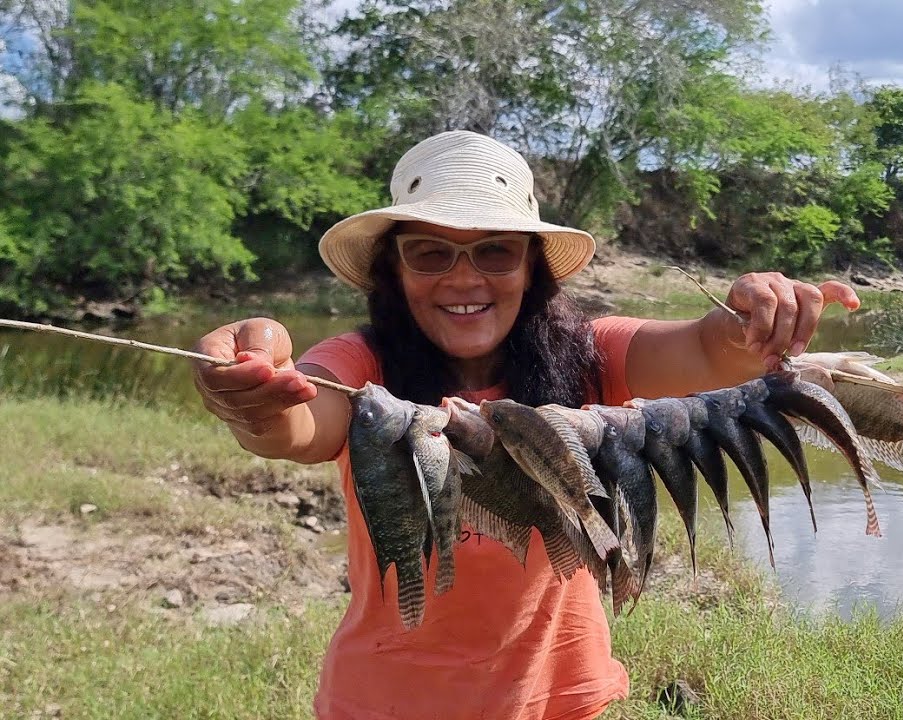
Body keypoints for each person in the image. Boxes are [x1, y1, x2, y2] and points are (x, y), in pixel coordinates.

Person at [191, 130, 861, 720]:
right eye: (429, 254)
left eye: (495, 252)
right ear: (392, 272)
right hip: (384, 704)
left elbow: (705, 351)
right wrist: (255, 395)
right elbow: (297, 420)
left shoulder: (591, 357)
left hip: (560, 698)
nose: (464, 278)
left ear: (531, 267)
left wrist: (750, 316)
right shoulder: (361, 365)